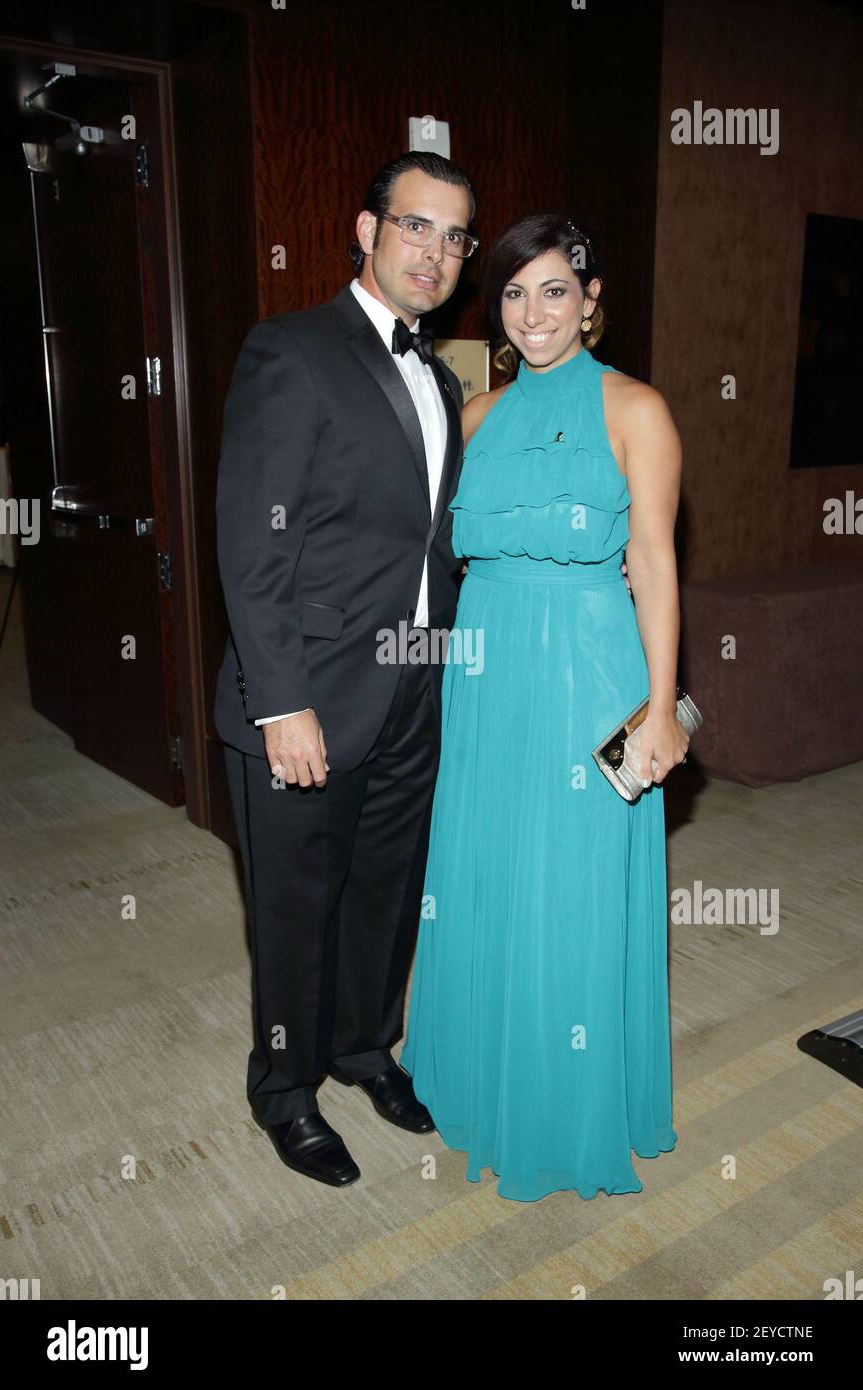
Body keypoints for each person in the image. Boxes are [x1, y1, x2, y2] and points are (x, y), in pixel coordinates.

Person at [400, 213, 687, 1202]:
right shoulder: (473, 419)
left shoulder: (633, 410)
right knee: (480, 874)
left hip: (583, 672)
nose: (532, 313)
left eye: (553, 290)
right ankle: (478, 1079)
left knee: (567, 888)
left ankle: (560, 1109)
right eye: (513, 294)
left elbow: (652, 563)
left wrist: (658, 711)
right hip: (486, 675)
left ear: (590, 298)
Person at [214, 152, 477, 1187]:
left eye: (454, 236)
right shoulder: (290, 349)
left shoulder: (443, 375)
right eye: (416, 226)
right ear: (363, 230)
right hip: (308, 693)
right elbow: (252, 541)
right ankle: (283, 1087)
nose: (436, 252)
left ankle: (365, 1049)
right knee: (291, 905)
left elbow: (427, 540)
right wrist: (280, 702)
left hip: (412, 681)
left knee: (383, 890)